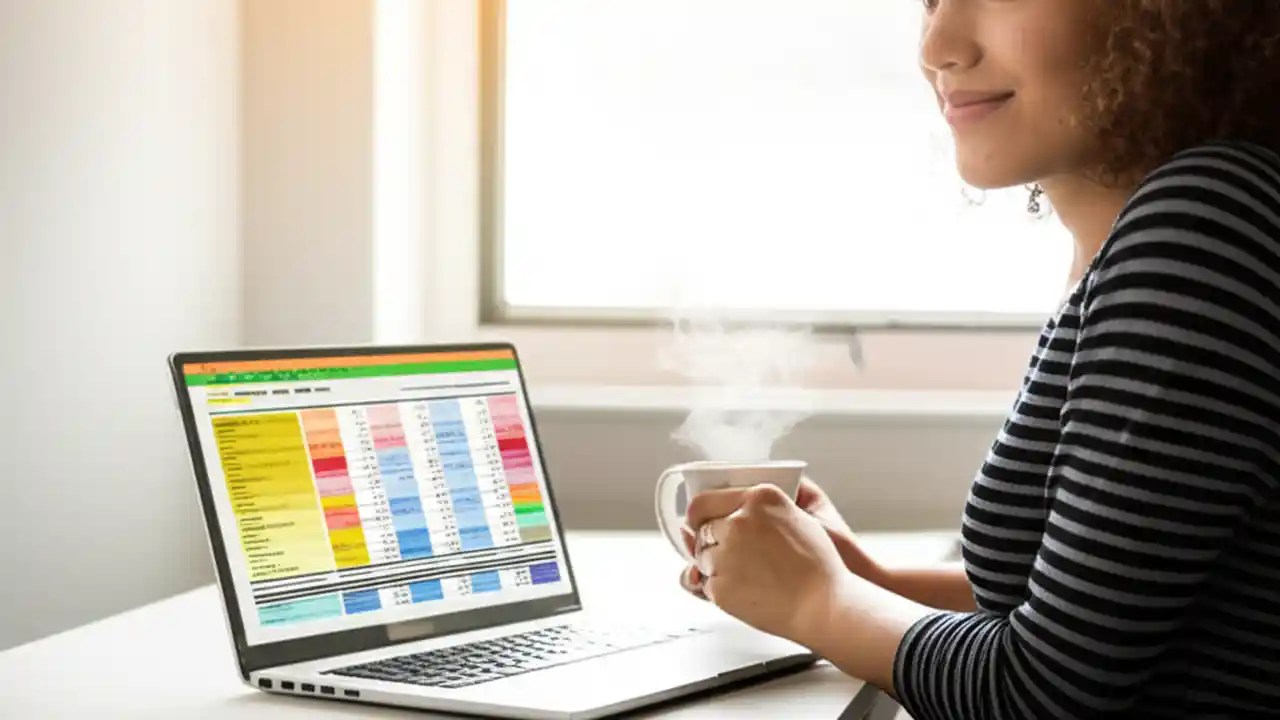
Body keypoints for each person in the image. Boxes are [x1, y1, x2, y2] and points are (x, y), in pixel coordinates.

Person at [677, 2, 1280, 717]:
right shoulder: (1136, 243)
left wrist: (819, 599)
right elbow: (1085, 614)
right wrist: (859, 577)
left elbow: (1047, 695)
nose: (937, 46)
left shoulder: (1203, 234)